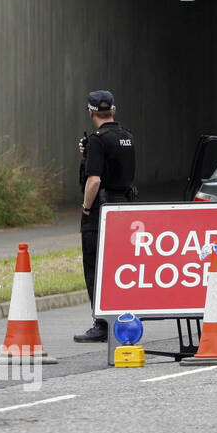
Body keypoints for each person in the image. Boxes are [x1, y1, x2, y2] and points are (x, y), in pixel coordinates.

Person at [73, 90, 137, 343]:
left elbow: (94, 180)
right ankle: (123, 316)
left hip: (101, 211)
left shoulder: (98, 140)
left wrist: (86, 208)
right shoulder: (127, 136)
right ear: (114, 109)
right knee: (118, 266)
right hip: (125, 210)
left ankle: (101, 323)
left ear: (90, 112)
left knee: (95, 267)